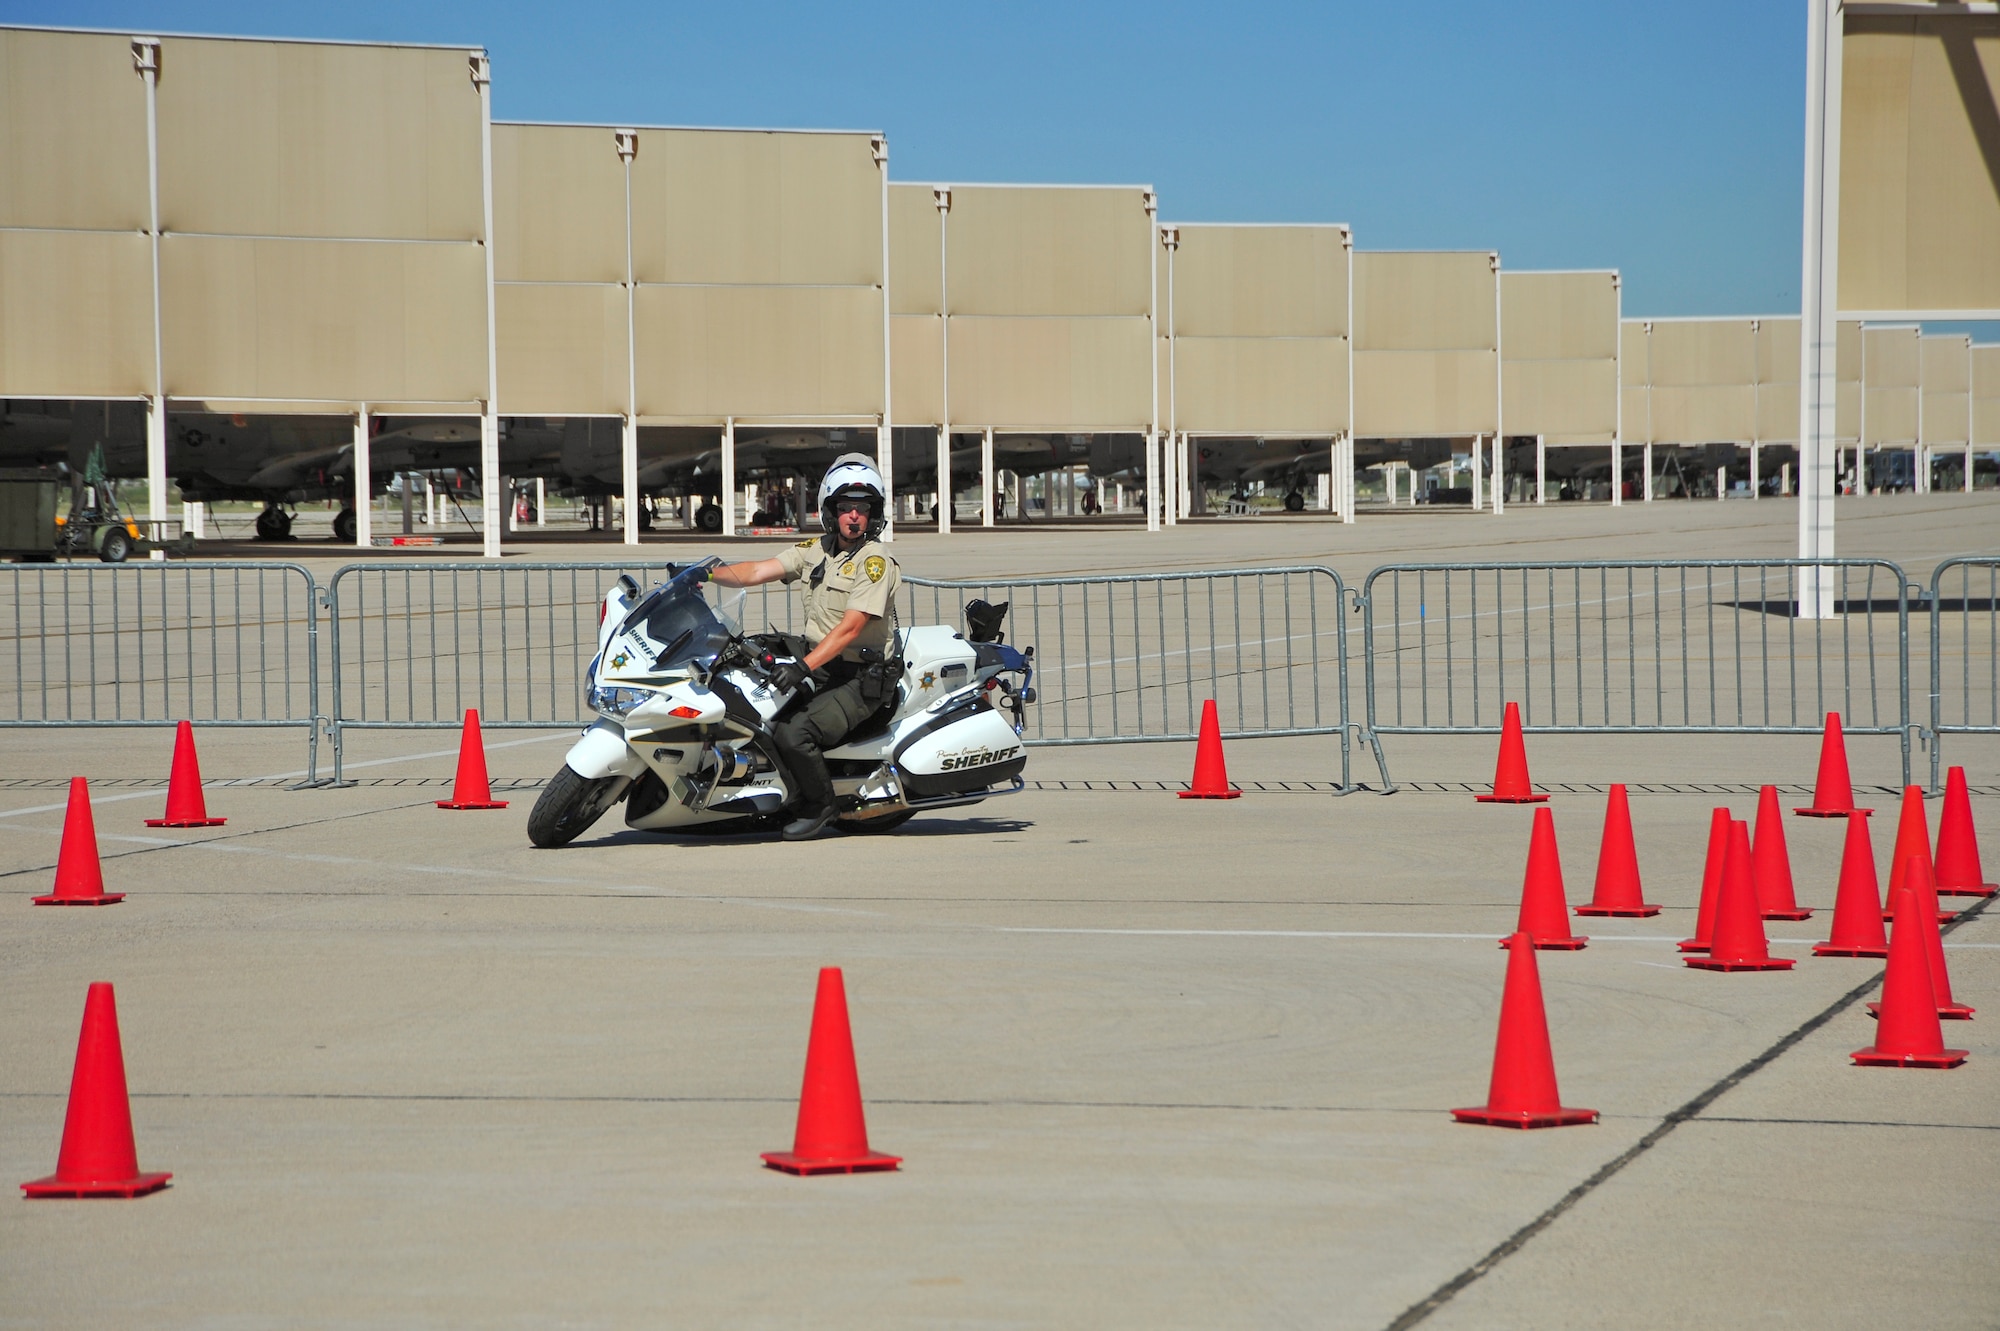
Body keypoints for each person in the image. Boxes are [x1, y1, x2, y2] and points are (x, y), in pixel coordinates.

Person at [703, 453, 901, 840]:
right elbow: (758, 570)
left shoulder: (874, 561)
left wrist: (803, 668)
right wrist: (705, 573)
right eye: (845, 508)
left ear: (874, 514)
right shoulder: (818, 549)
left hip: (861, 677)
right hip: (822, 663)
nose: (854, 516)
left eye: (862, 508)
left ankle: (821, 805)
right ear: (831, 511)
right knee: (752, 704)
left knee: (794, 734)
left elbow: (850, 628)